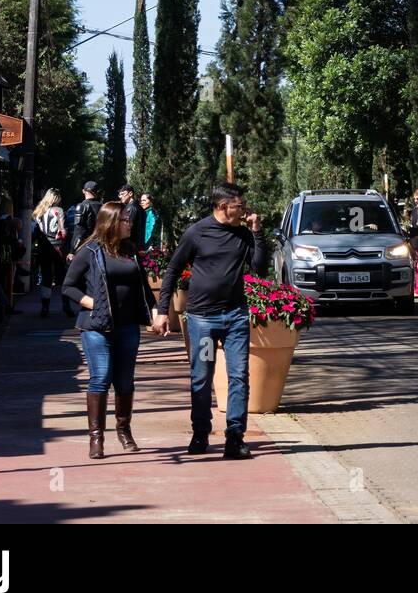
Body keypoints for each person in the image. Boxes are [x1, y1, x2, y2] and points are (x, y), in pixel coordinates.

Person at [153, 183, 268, 460]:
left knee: (239, 375)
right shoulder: (197, 232)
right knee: (202, 378)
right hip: (203, 320)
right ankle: (200, 432)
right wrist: (162, 309)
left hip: (236, 318)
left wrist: (257, 232)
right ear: (222, 206)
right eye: (239, 205)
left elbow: (260, 269)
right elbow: (172, 270)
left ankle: (235, 437)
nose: (244, 210)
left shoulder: (243, 233)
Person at [64, 201, 161, 459]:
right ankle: (96, 438)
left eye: (129, 220)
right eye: (125, 220)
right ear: (111, 223)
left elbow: (142, 287)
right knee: (101, 377)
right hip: (97, 326)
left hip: (128, 326)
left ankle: (124, 431)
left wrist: (155, 313)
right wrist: (92, 303)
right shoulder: (90, 250)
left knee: (125, 380)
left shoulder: (131, 251)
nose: (130, 224)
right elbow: (69, 286)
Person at [34, 188, 76, 318]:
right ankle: (66, 305)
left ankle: (45, 307)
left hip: (43, 247)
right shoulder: (58, 211)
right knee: (63, 277)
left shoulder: (38, 211)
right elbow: (62, 232)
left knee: (46, 276)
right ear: (56, 198)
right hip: (58, 248)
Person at [68, 181, 101, 262]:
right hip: (100, 245)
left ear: (83, 191)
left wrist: (72, 251)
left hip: (85, 246)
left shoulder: (82, 206)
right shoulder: (103, 206)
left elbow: (79, 232)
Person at [118, 184, 146, 251]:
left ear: (130, 193)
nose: (120, 197)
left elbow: (128, 230)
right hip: (138, 245)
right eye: (119, 195)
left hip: (130, 247)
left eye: (122, 194)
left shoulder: (130, 208)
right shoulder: (140, 208)